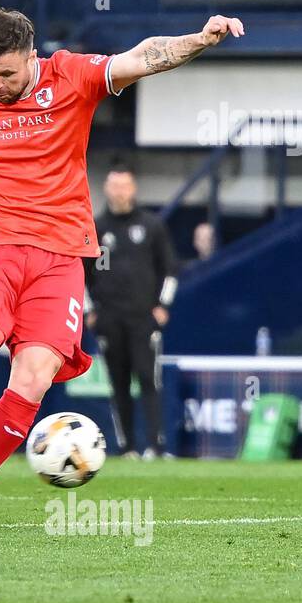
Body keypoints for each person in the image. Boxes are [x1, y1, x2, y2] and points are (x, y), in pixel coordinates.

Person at [0, 5, 243, 527]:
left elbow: (142, 57)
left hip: (60, 258)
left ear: (32, 58)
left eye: (6, 74)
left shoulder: (71, 76)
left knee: (34, 376)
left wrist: (199, 39)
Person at [85, 164, 177, 459]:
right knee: (119, 384)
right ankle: (126, 448)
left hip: (143, 318)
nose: (120, 192)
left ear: (133, 189)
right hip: (109, 318)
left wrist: (163, 306)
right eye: (115, 185)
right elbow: (79, 273)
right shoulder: (96, 228)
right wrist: (90, 310)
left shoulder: (151, 226)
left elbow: (171, 270)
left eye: (125, 186)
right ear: (107, 189)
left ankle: (156, 446)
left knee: (149, 380)